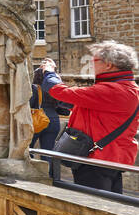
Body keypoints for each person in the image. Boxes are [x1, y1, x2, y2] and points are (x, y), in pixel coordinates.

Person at [47, 40, 139, 194]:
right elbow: (89, 107)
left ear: (109, 64)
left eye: (94, 61)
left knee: (93, 208)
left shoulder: (113, 90)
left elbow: (59, 92)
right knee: (110, 206)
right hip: (112, 159)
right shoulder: (129, 88)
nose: (92, 65)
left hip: (96, 160)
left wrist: (49, 73)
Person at [31, 59, 64, 178]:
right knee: (48, 153)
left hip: (37, 120)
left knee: (28, 150)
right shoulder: (54, 88)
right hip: (54, 120)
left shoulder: (34, 88)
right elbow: (64, 109)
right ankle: (51, 178)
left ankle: (34, 176)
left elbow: (30, 105)